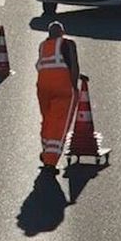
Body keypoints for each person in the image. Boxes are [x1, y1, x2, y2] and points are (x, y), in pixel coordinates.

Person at [35, 21, 80, 173]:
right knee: (59, 123)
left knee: (47, 120)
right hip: (63, 87)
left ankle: (46, 150)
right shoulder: (68, 44)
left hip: (43, 87)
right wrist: (74, 86)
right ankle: (50, 161)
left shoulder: (43, 46)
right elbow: (73, 65)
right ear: (62, 32)